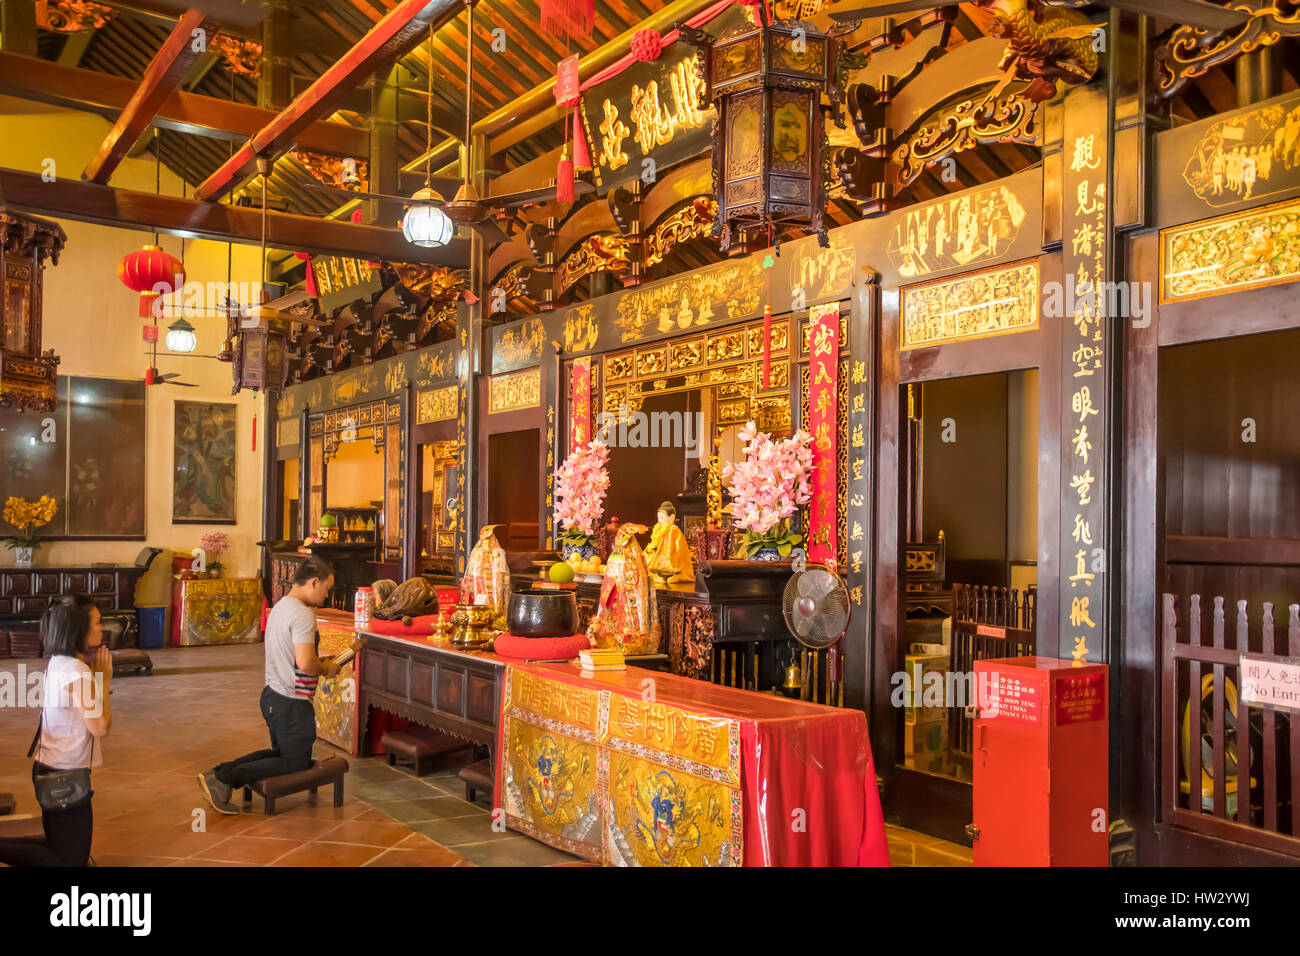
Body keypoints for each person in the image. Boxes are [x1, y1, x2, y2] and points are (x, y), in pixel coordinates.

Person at [197, 555, 339, 815]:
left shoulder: (281, 605)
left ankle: (218, 774)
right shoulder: (303, 615)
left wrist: (320, 661)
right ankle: (225, 779)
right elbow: (306, 664)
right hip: (292, 702)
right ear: (314, 582)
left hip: (273, 695)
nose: (327, 596)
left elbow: (291, 656)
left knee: (280, 754)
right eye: (327, 589)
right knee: (295, 762)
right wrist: (325, 668)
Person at [0, 596, 110, 867]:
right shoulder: (78, 671)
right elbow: (100, 726)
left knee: (61, 847)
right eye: (96, 623)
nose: (101, 628)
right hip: (65, 774)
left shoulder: (59, 661)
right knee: (70, 862)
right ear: (78, 630)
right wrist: (103, 681)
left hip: (51, 767)